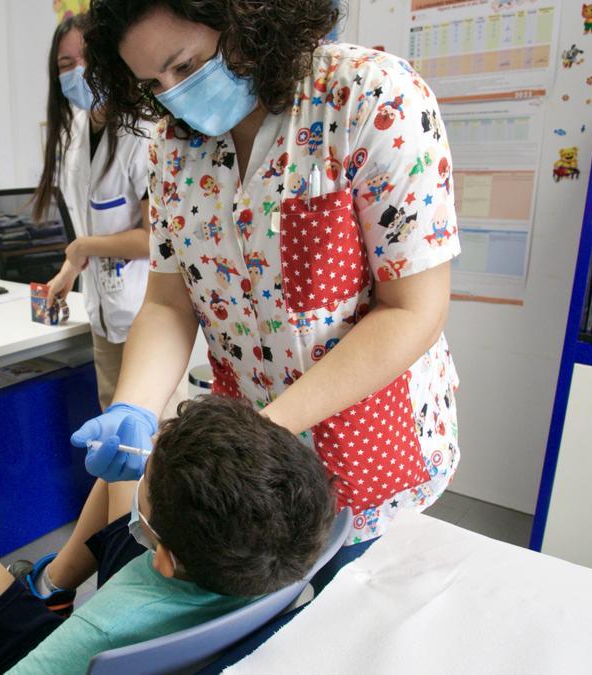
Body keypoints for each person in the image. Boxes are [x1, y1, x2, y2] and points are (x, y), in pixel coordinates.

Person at [59, 0, 462, 589]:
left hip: (367, 437)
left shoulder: (370, 97)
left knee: (356, 614)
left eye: (186, 65)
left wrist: (263, 432)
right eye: (153, 83)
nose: (174, 94)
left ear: (248, 19)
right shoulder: (175, 147)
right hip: (252, 468)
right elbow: (170, 304)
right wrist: (135, 406)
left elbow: (413, 309)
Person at [0, 395, 335, 674]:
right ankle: (51, 587)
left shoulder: (103, 627)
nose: (139, 477)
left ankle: (41, 594)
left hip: (82, 655)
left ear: (162, 558)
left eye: (145, 486)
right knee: (115, 479)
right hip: (171, 629)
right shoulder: (292, 539)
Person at [33, 13, 153, 411]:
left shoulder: (144, 133)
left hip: (147, 316)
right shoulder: (74, 140)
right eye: (65, 65)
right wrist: (71, 268)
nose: (77, 72)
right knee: (113, 431)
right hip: (103, 314)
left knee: (157, 436)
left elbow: (154, 239)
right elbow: (91, 226)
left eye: (86, 58)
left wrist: (81, 247)